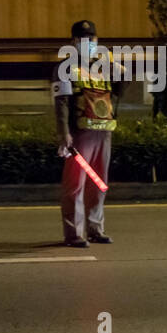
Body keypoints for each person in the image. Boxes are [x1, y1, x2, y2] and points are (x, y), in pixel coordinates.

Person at [54, 19, 123, 247]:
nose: (88, 42)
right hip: (81, 133)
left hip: (103, 132)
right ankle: (74, 234)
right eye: (83, 39)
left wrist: (122, 71)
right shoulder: (65, 67)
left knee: (99, 183)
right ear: (73, 42)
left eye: (92, 38)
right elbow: (61, 102)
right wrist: (64, 133)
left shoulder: (103, 65)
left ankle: (95, 229)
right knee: (76, 184)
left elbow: (120, 89)